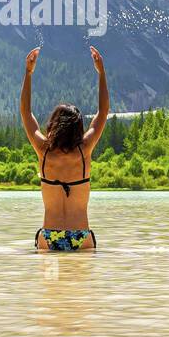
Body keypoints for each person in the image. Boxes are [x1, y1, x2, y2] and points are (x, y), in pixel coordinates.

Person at [21, 45, 109, 251]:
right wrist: (101, 73)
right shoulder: (84, 150)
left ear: (54, 124)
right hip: (81, 235)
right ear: (78, 128)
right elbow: (102, 113)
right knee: (82, 282)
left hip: (49, 236)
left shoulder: (44, 151)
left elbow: (26, 114)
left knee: (50, 282)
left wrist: (28, 72)